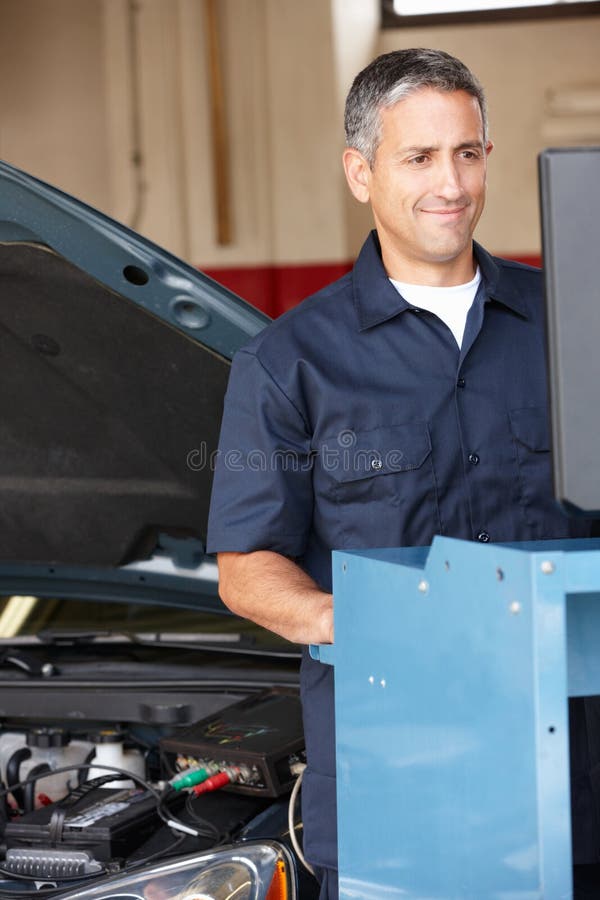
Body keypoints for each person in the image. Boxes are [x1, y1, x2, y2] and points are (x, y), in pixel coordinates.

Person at [206, 48, 592, 900]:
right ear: (360, 172)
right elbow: (246, 568)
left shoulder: (571, 325)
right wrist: (353, 620)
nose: (448, 183)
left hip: (573, 775)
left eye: (466, 153)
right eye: (417, 157)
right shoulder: (285, 363)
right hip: (394, 776)